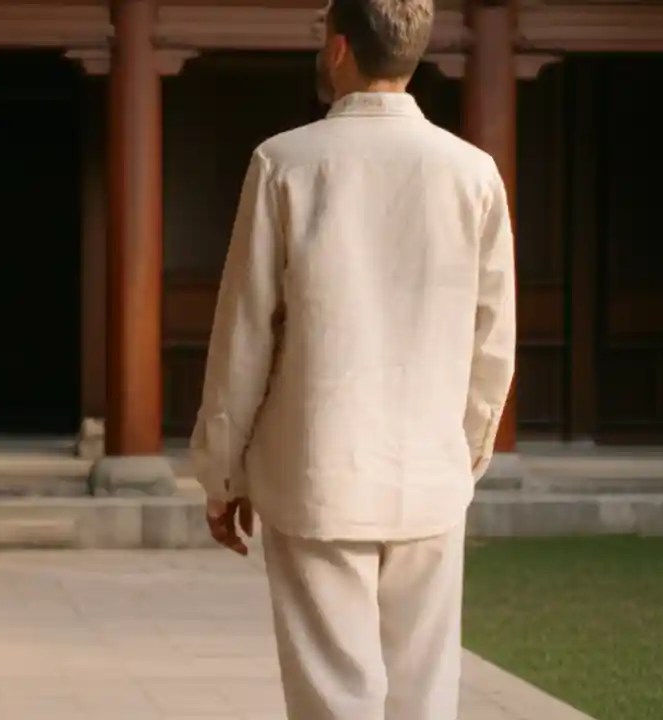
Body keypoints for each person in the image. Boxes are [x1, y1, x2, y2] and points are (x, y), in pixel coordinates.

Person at [189, 0, 517, 718]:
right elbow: (493, 345)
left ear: (339, 49)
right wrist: (459, 456)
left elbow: (244, 333)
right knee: (424, 695)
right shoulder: (475, 174)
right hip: (428, 470)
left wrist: (222, 470)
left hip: (317, 471)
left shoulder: (284, 163)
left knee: (336, 699)